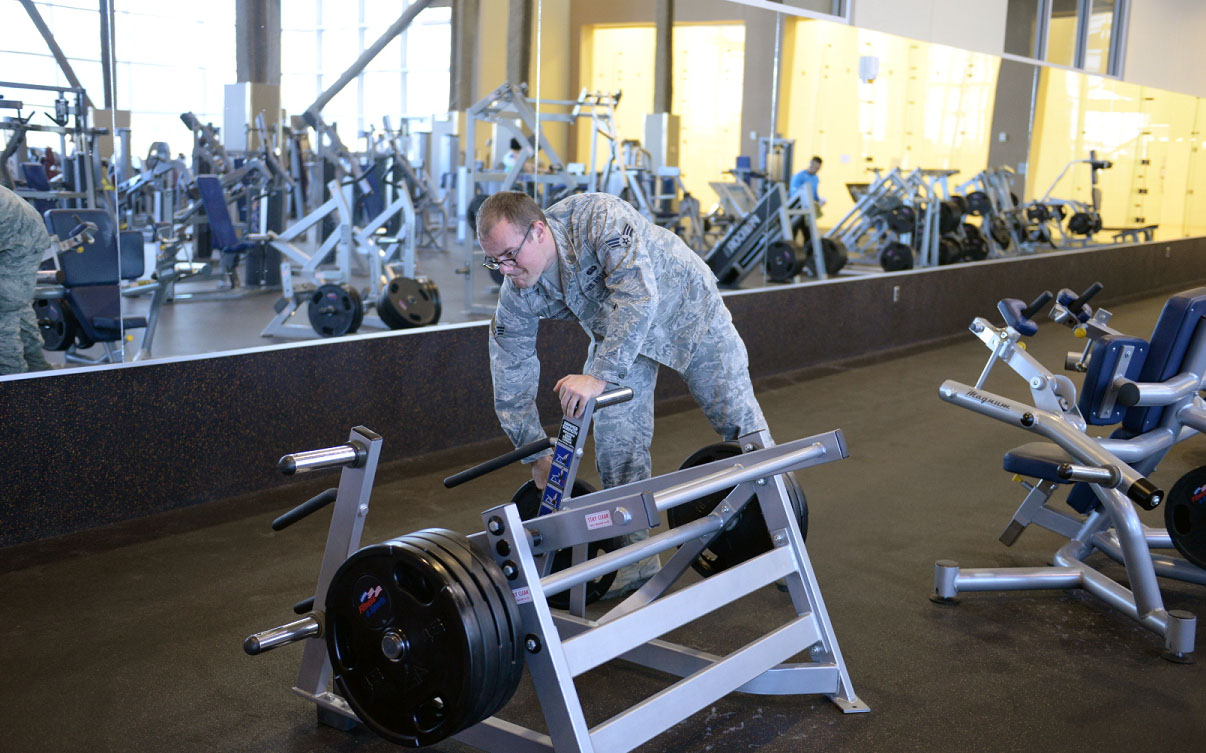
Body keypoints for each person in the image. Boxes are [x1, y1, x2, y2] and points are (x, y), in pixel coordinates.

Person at [478, 190, 769, 595]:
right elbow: (510, 365)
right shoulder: (519, 289)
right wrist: (535, 453)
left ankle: (776, 532)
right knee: (617, 446)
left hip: (687, 309)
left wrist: (598, 376)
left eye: (509, 255)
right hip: (619, 336)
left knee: (741, 426)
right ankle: (637, 564)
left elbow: (639, 297)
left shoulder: (598, 217)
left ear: (539, 232)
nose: (505, 270)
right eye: (494, 261)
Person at [0, 184, 55, 375]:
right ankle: (38, 369)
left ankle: (13, 383)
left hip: (21, 238)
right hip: (19, 231)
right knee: (17, 305)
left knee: (4, 310)